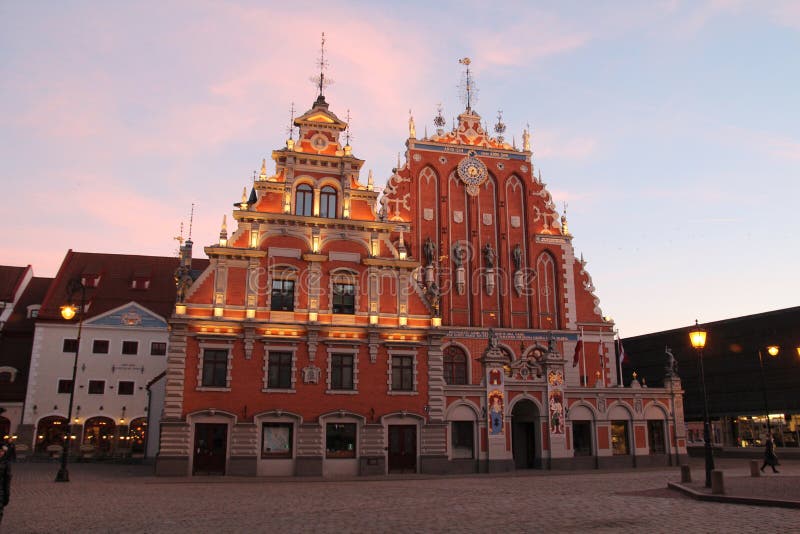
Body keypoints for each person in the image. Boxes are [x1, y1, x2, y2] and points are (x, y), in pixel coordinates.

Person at [0, 443, 10, 526]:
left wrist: (7, 495)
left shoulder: (6, 464)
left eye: (2, 451)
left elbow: (7, 481)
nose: (1, 453)